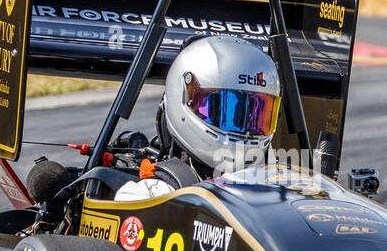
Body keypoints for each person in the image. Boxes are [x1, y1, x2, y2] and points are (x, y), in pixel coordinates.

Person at [113, 35, 281, 200]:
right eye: (224, 111)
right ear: (186, 100)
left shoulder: (272, 191)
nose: (245, 130)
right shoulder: (149, 195)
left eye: (257, 115)